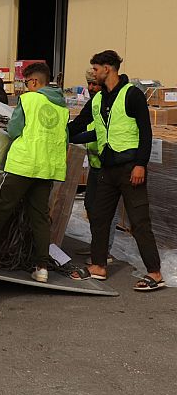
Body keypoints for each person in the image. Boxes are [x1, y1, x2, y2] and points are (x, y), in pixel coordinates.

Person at [67, 50, 165, 291]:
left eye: (96, 69)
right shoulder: (98, 99)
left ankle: (155, 272)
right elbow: (79, 124)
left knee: (139, 221)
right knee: (100, 216)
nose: (94, 74)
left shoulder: (132, 95)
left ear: (108, 68)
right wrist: (51, 133)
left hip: (131, 167)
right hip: (107, 169)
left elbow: (145, 132)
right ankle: (98, 266)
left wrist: (141, 163)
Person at [0, 62, 69, 283]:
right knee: (40, 218)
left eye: (26, 83)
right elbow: (64, 141)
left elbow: (13, 130)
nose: (25, 87)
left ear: (34, 82)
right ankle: (42, 267)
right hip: (46, 169)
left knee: (1, 208)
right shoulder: (62, 108)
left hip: (22, 164)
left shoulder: (28, 100)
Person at [71, 69, 120, 262]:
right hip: (95, 165)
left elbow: (96, 133)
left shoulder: (107, 103)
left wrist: (71, 137)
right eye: (88, 84)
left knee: (106, 210)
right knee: (90, 205)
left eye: (94, 84)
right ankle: (97, 245)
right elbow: (82, 124)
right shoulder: (94, 103)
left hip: (109, 167)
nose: (91, 88)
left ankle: (104, 251)